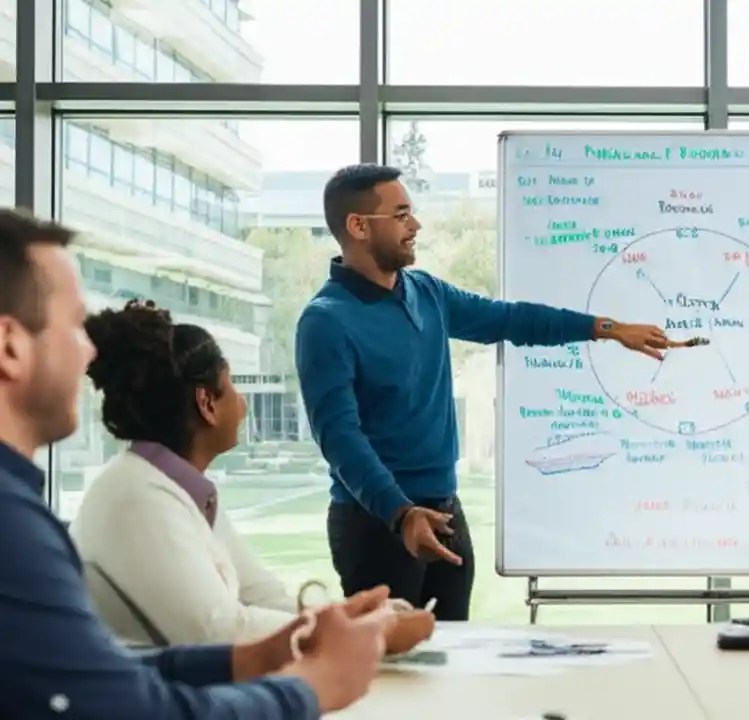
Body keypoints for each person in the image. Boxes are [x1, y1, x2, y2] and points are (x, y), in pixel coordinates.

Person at [0, 208, 397, 718]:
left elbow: (97, 673)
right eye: (75, 327)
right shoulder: (20, 526)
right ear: (9, 347)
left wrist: (265, 652)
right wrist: (315, 684)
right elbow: (133, 708)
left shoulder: (28, 512)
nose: (87, 354)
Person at [296, 164, 670, 621]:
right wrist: (401, 514)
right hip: (378, 525)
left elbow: (512, 319)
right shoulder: (325, 321)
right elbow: (339, 439)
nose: (415, 226)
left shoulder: (425, 292)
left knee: (455, 662)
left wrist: (605, 329)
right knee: (394, 676)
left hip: (444, 512)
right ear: (358, 226)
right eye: (401, 215)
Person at [69, 299, 434, 654]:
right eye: (232, 387)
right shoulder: (137, 499)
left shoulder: (176, 489)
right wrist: (358, 631)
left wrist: (351, 614)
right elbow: (217, 631)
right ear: (207, 403)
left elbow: (260, 594)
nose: (242, 406)